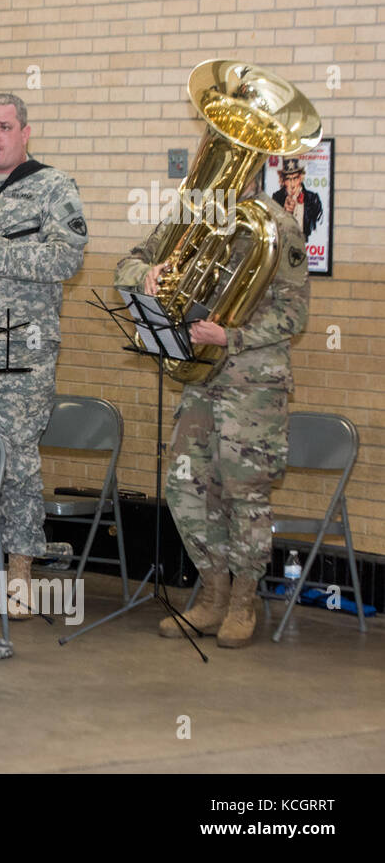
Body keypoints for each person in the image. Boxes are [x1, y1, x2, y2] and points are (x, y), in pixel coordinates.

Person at [116, 186, 308, 648]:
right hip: (199, 377)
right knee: (185, 489)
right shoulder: (192, 214)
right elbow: (127, 264)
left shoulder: (278, 226)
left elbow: (295, 314)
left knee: (245, 494)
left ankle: (244, 601)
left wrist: (232, 336)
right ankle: (213, 594)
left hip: (253, 385)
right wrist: (147, 274)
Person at [0, 93, 87, 616]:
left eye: (4, 126)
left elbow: (68, 259)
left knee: (18, 460)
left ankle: (22, 574)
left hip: (22, 347)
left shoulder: (55, 186)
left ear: (25, 132)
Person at [271, 157, 323, 240]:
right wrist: (284, 212)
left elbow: (318, 227)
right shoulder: (277, 198)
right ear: (283, 181)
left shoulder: (313, 199)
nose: (292, 184)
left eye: (295, 178)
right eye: (288, 179)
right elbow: (272, 227)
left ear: (301, 178)